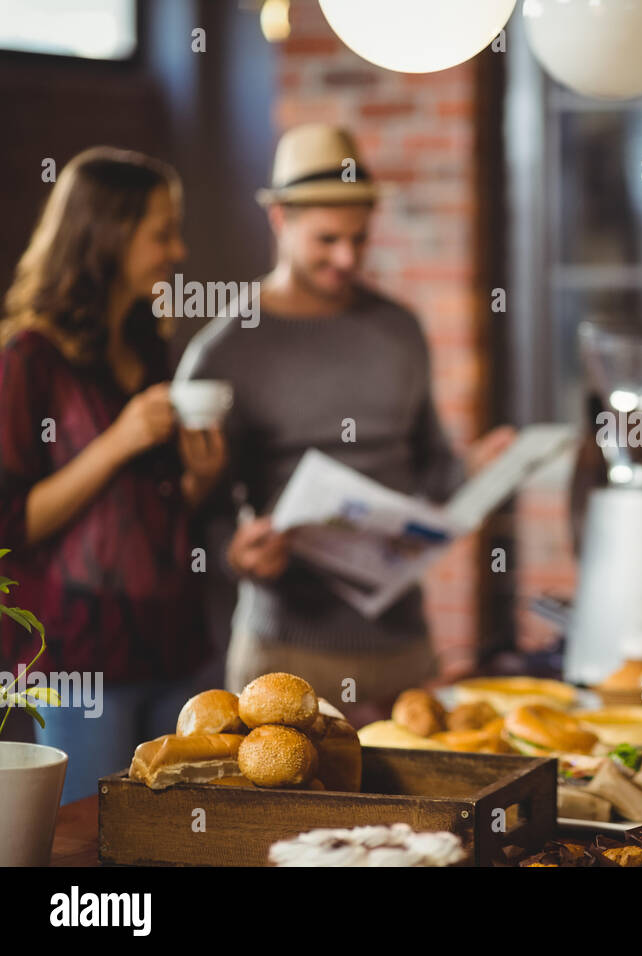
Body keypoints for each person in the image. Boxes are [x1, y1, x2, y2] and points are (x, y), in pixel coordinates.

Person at [178, 124, 513, 728]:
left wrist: (474, 471)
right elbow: (190, 509)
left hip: (404, 648)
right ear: (279, 220)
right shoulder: (224, 352)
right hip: (283, 659)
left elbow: (430, 469)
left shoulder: (399, 330)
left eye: (359, 240)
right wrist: (234, 551)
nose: (347, 259)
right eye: (326, 240)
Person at [0, 147, 226, 803]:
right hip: (78, 663)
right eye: (162, 231)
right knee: (87, 843)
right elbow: (10, 524)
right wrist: (116, 441)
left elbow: (154, 506)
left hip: (178, 645)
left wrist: (199, 482)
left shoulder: (149, 346)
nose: (176, 249)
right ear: (108, 233)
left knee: (183, 833)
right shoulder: (27, 358)